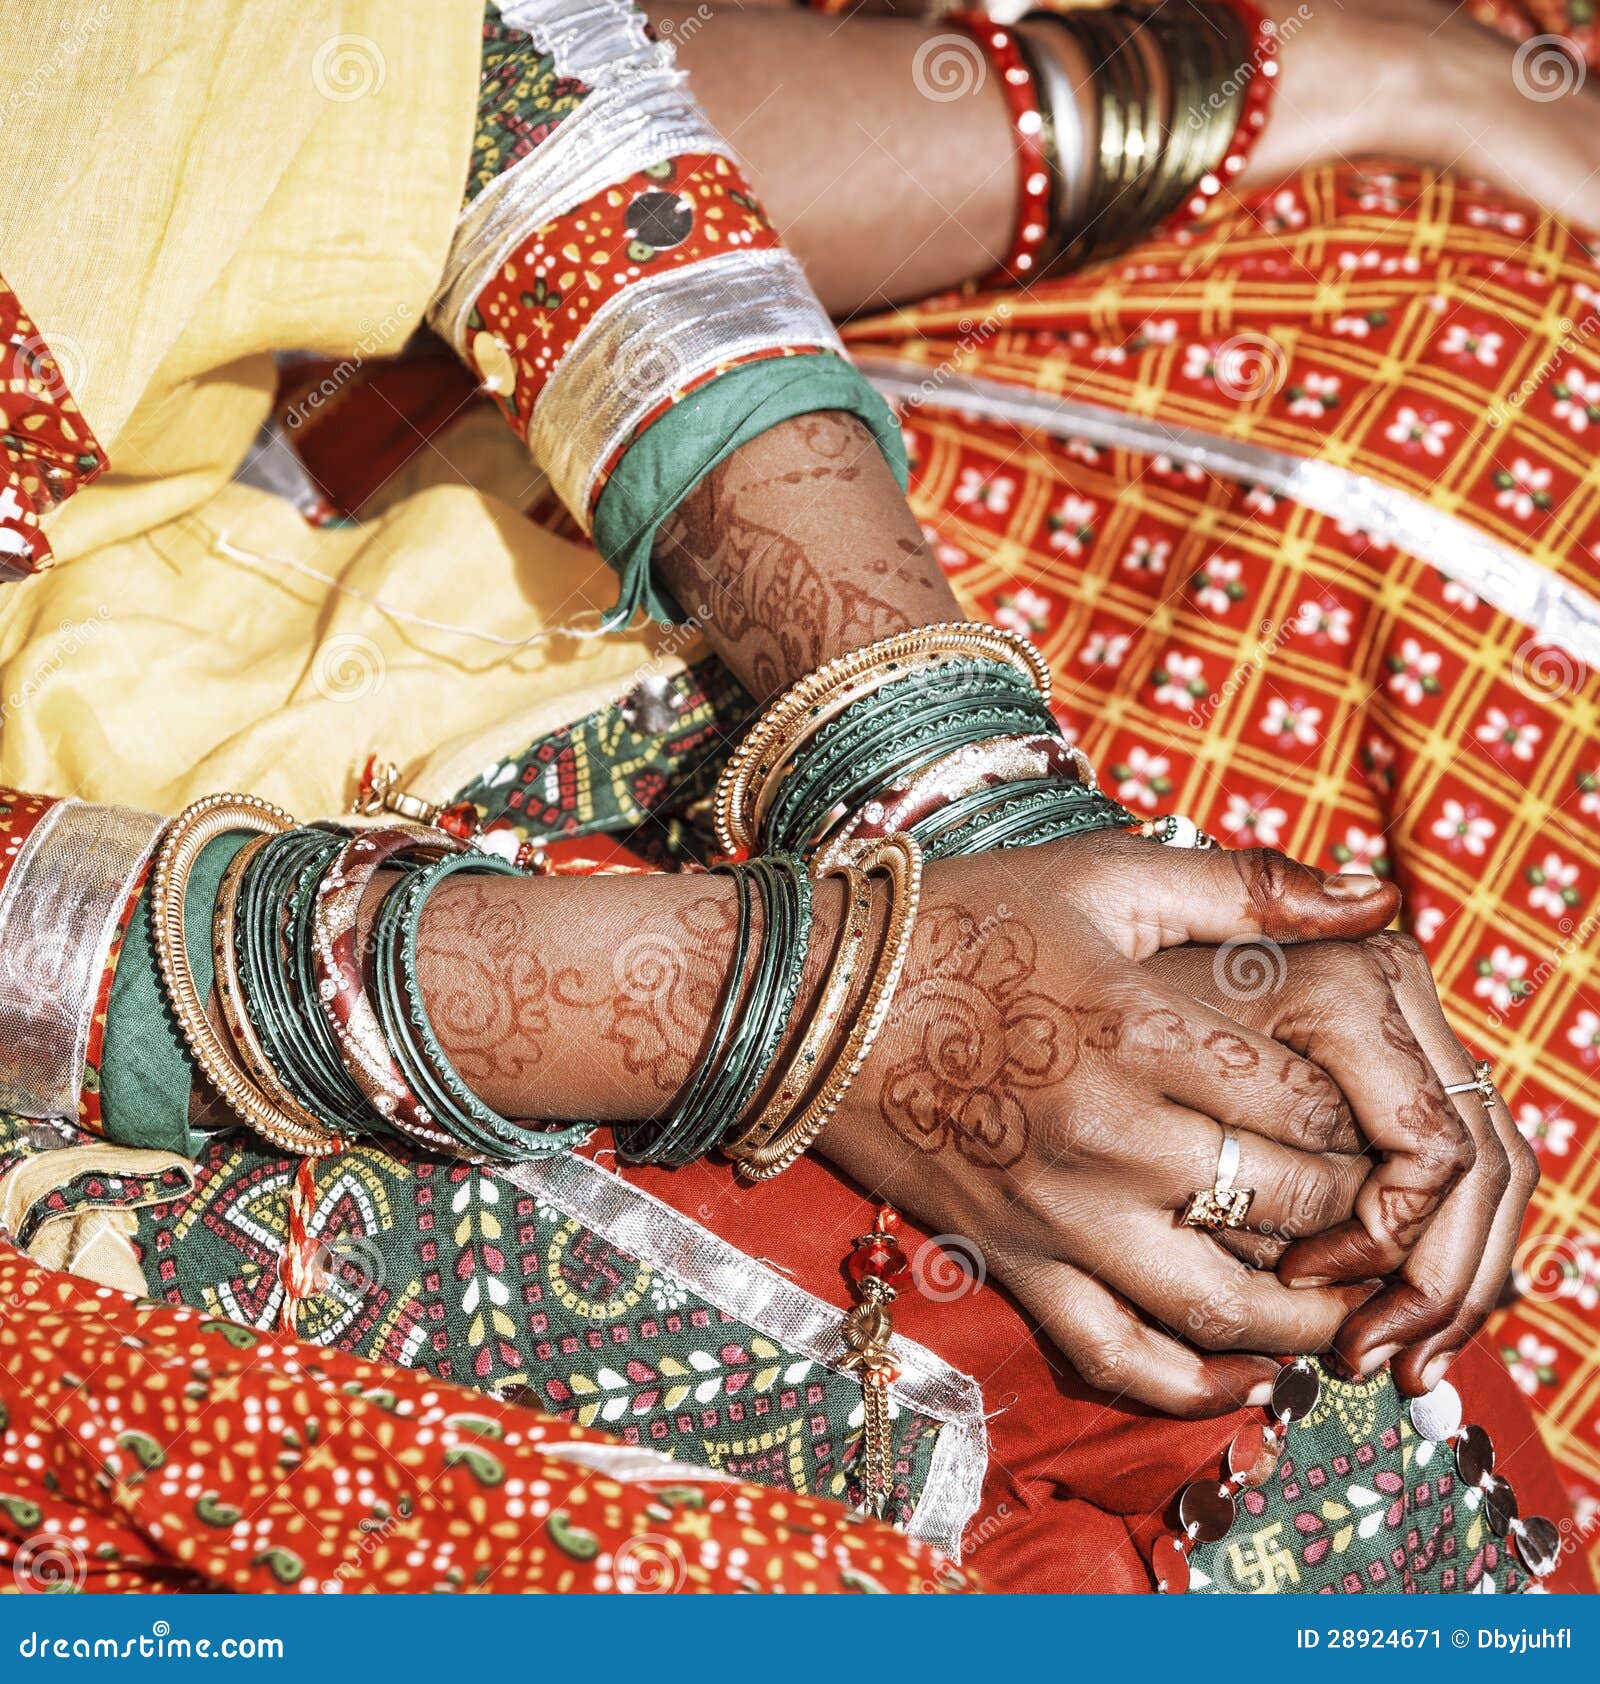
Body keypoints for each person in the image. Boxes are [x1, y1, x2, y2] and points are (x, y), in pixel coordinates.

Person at [0, 0, 1588, 1592]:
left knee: (1299, 1270)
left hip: (414, 686)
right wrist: (807, 992)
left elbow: (493, 88)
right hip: (148, 1063)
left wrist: (977, 811)